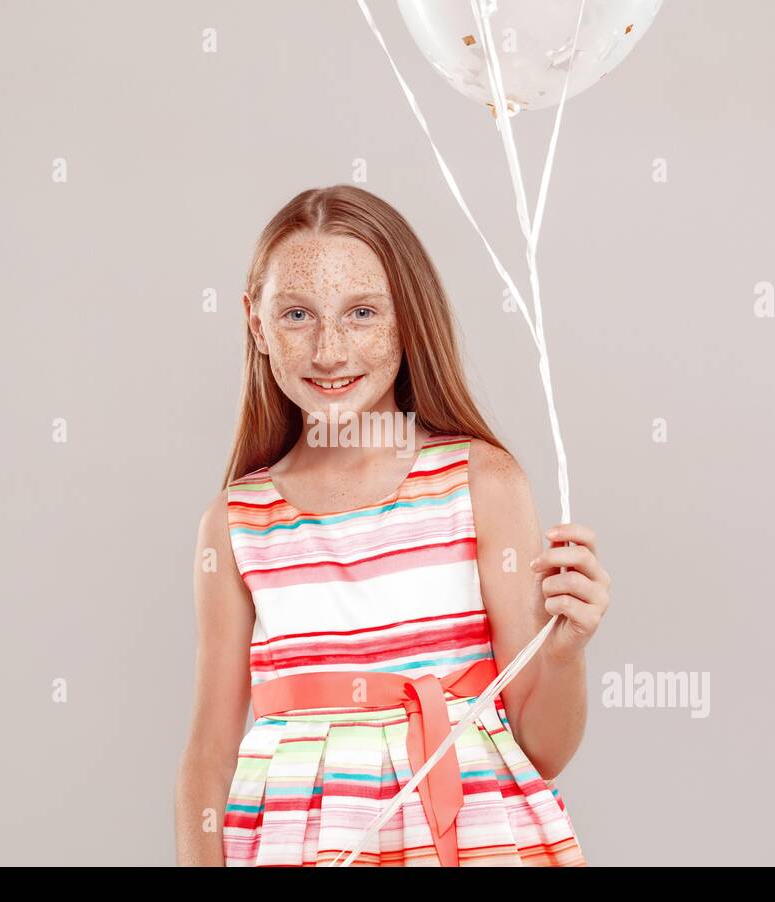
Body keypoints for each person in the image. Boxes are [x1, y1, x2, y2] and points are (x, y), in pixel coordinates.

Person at [175, 184, 611, 866]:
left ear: (407, 317)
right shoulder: (236, 527)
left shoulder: (481, 484)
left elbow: (543, 750)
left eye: (362, 313)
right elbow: (209, 756)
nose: (329, 351)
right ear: (256, 325)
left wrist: (564, 652)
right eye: (297, 314)